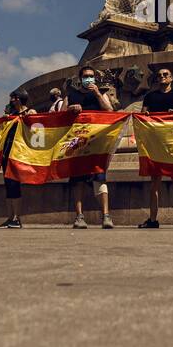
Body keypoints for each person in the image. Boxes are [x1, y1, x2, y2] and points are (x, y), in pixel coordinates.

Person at [139, 67, 173, 229]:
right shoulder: (150, 96)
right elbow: (142, 115)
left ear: (172, 78)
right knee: (155, 180)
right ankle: (153, 219)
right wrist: (146, 116)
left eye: (165, 75)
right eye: (159, 75)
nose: (162, 77)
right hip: (155, 143)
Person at [65, 66, 115, 229]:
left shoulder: (101, 93)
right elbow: (61, 115)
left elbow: (109, 110)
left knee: (99, 176)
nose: (89, 79)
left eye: (91, 76)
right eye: (86, 76)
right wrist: (71, 109)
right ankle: (79, 216)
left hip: (97, 142)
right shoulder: (71, 95)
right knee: (77, 179)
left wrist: (98, 94)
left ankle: (106, 215)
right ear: (80, 79)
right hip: (77, 143)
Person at [0, 90, 35, 228]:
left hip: (19, 153)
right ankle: (9, 217)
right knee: (8, 186)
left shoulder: (31, 112)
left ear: (18, 99)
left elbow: (36, 130)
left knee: (15, 185)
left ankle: (17, 218)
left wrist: (29, 118)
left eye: (12, 98)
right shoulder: (11, 114)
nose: (10, 101)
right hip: (7, 152)